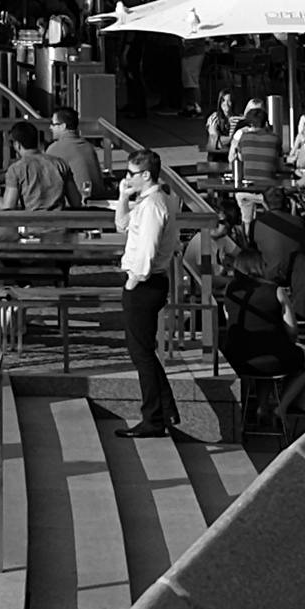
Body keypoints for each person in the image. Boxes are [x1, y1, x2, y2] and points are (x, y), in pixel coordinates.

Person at [111, 158, 182, 440]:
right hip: (146, 282)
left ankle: (154, 416)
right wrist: (123, 197)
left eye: (131, 173)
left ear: (146, 175)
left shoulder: (154, 205)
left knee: (141, 352)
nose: (127, 176)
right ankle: (164, 410)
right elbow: (121, 225)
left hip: (145, 282)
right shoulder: (148, 200)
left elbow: (148, 252)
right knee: (142, 351)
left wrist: (133, 280)